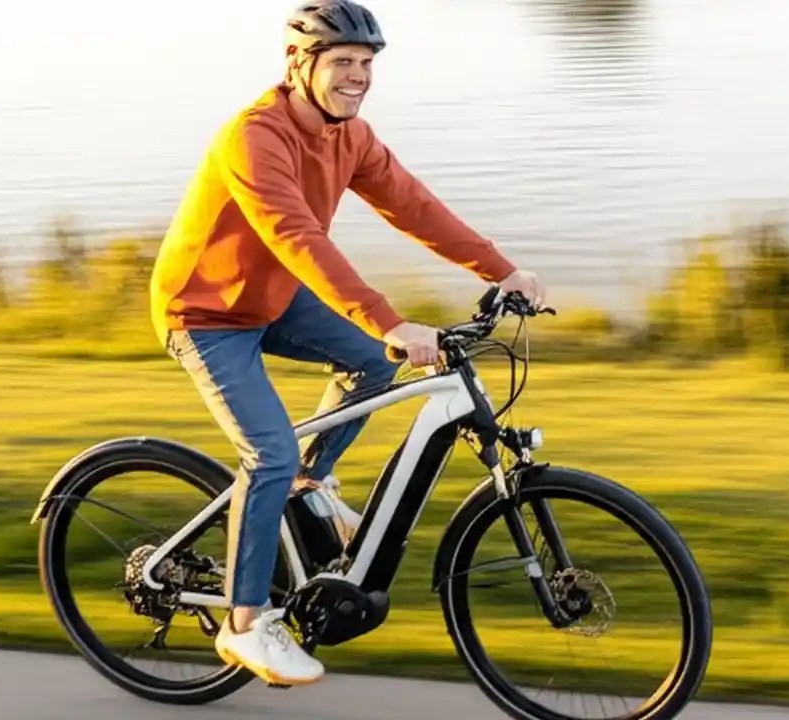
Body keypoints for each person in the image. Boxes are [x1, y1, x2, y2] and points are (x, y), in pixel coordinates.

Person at [148, 0, 546, 687]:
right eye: (343, 62)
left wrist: (501, 270)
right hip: (206, 313)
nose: (358, 75)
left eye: (366, 62)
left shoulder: (350, 135)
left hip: (272, 297)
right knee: (268, 454)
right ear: (298, 64)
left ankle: (310, 485)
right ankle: (246, 624)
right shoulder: (255, 137)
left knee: (368, 361)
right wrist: (388, 320)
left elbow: (413, 206)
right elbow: (296, 237)